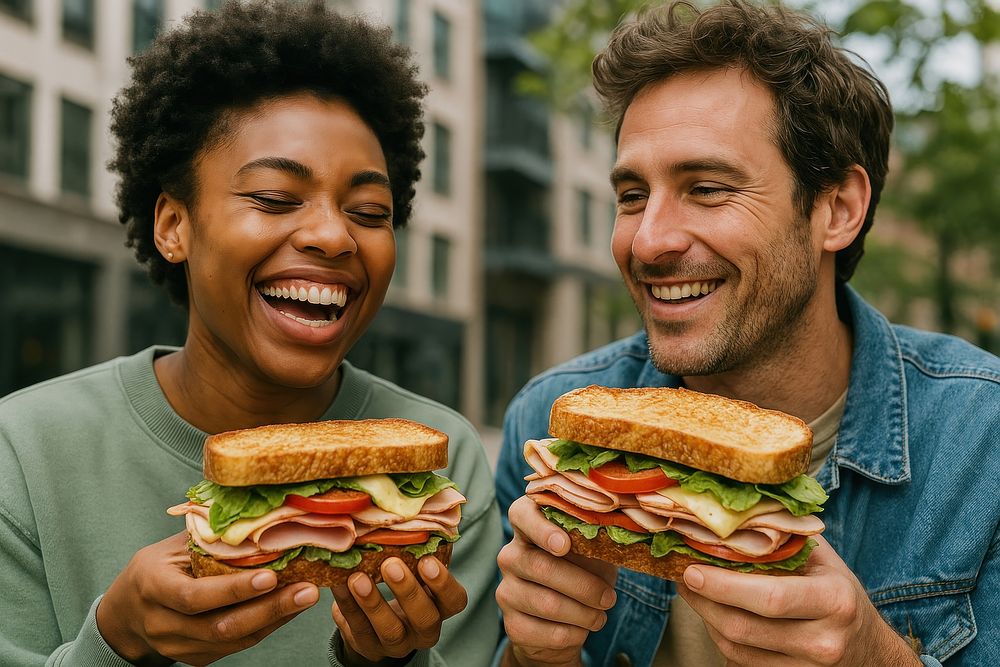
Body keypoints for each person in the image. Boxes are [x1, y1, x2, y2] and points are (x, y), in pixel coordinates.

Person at [493, 1, 1000, 666]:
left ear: (838, 209)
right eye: (631, 195)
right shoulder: (546, 426)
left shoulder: (983, 439)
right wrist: (534, 656)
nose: (649, 240)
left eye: (706, 188)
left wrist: (875, 657)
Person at [0, 2, 502, 665]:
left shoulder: (444, 463)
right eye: (273, 198)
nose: (332, 234)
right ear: (173, 225)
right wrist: (118, 639)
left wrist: (382, 660)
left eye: (370, 210)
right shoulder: (22, 451)